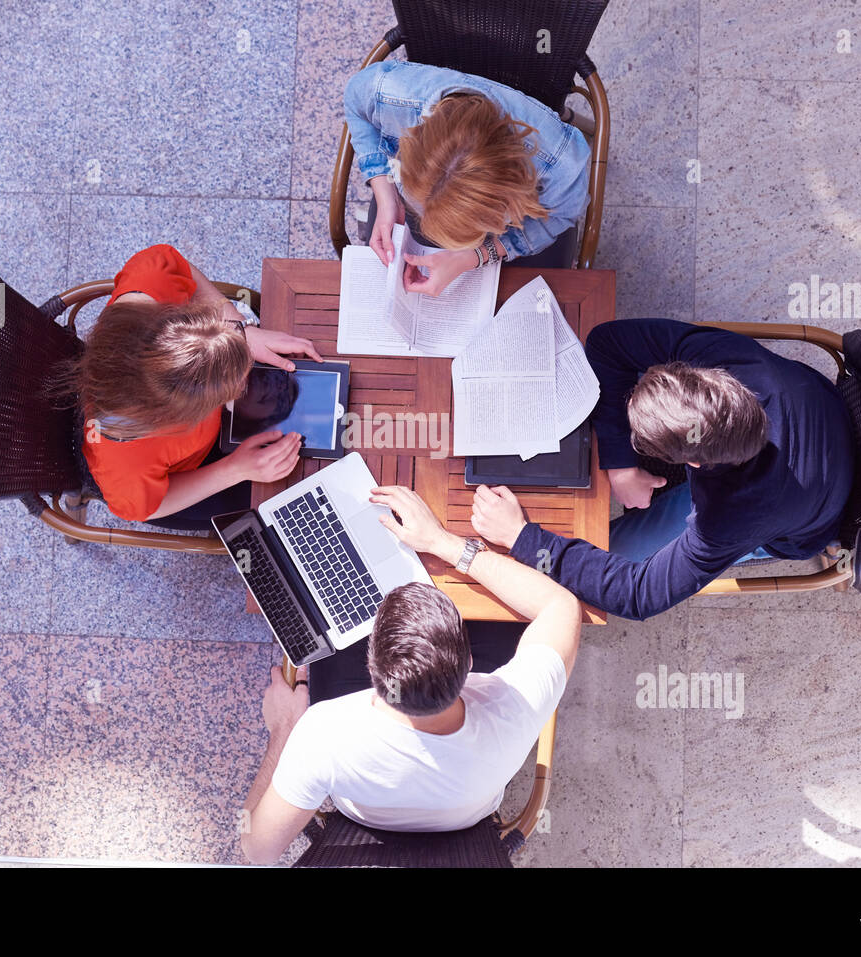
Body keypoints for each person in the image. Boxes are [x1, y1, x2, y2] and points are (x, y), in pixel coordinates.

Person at [240, 485, 582, 865]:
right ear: (469, 662)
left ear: (370, 665)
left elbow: (257, 851)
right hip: (467, 818)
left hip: (361, 818)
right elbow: (560, 605)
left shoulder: (321, 735)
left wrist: (284, 730)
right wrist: (445, 543)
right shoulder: (514, 709)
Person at [469, 317, 855, 621]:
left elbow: (638, 594)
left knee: (614, 552)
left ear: (693, 464)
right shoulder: (727, 358)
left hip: (805, 513)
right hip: (823, 418)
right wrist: (619, 463)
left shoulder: (726, 521)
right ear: (698, 375)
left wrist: (522, 538)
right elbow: (608, 343)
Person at [61, 244, 320, 528]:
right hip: (182, 479)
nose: (246, 382)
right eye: (228, 390)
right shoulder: (125, 464)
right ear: (175, 418)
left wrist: (240, 328)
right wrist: (235, 470)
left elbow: (176, 264)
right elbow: (147, 507)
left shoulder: (148, 287)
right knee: (287, 497)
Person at [343, 60, 592, 296]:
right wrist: (386, 196)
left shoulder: (560, 164)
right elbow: (355, 100)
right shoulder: (389, 93)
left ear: (513, 189)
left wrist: (475, 256)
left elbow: (561, 215)